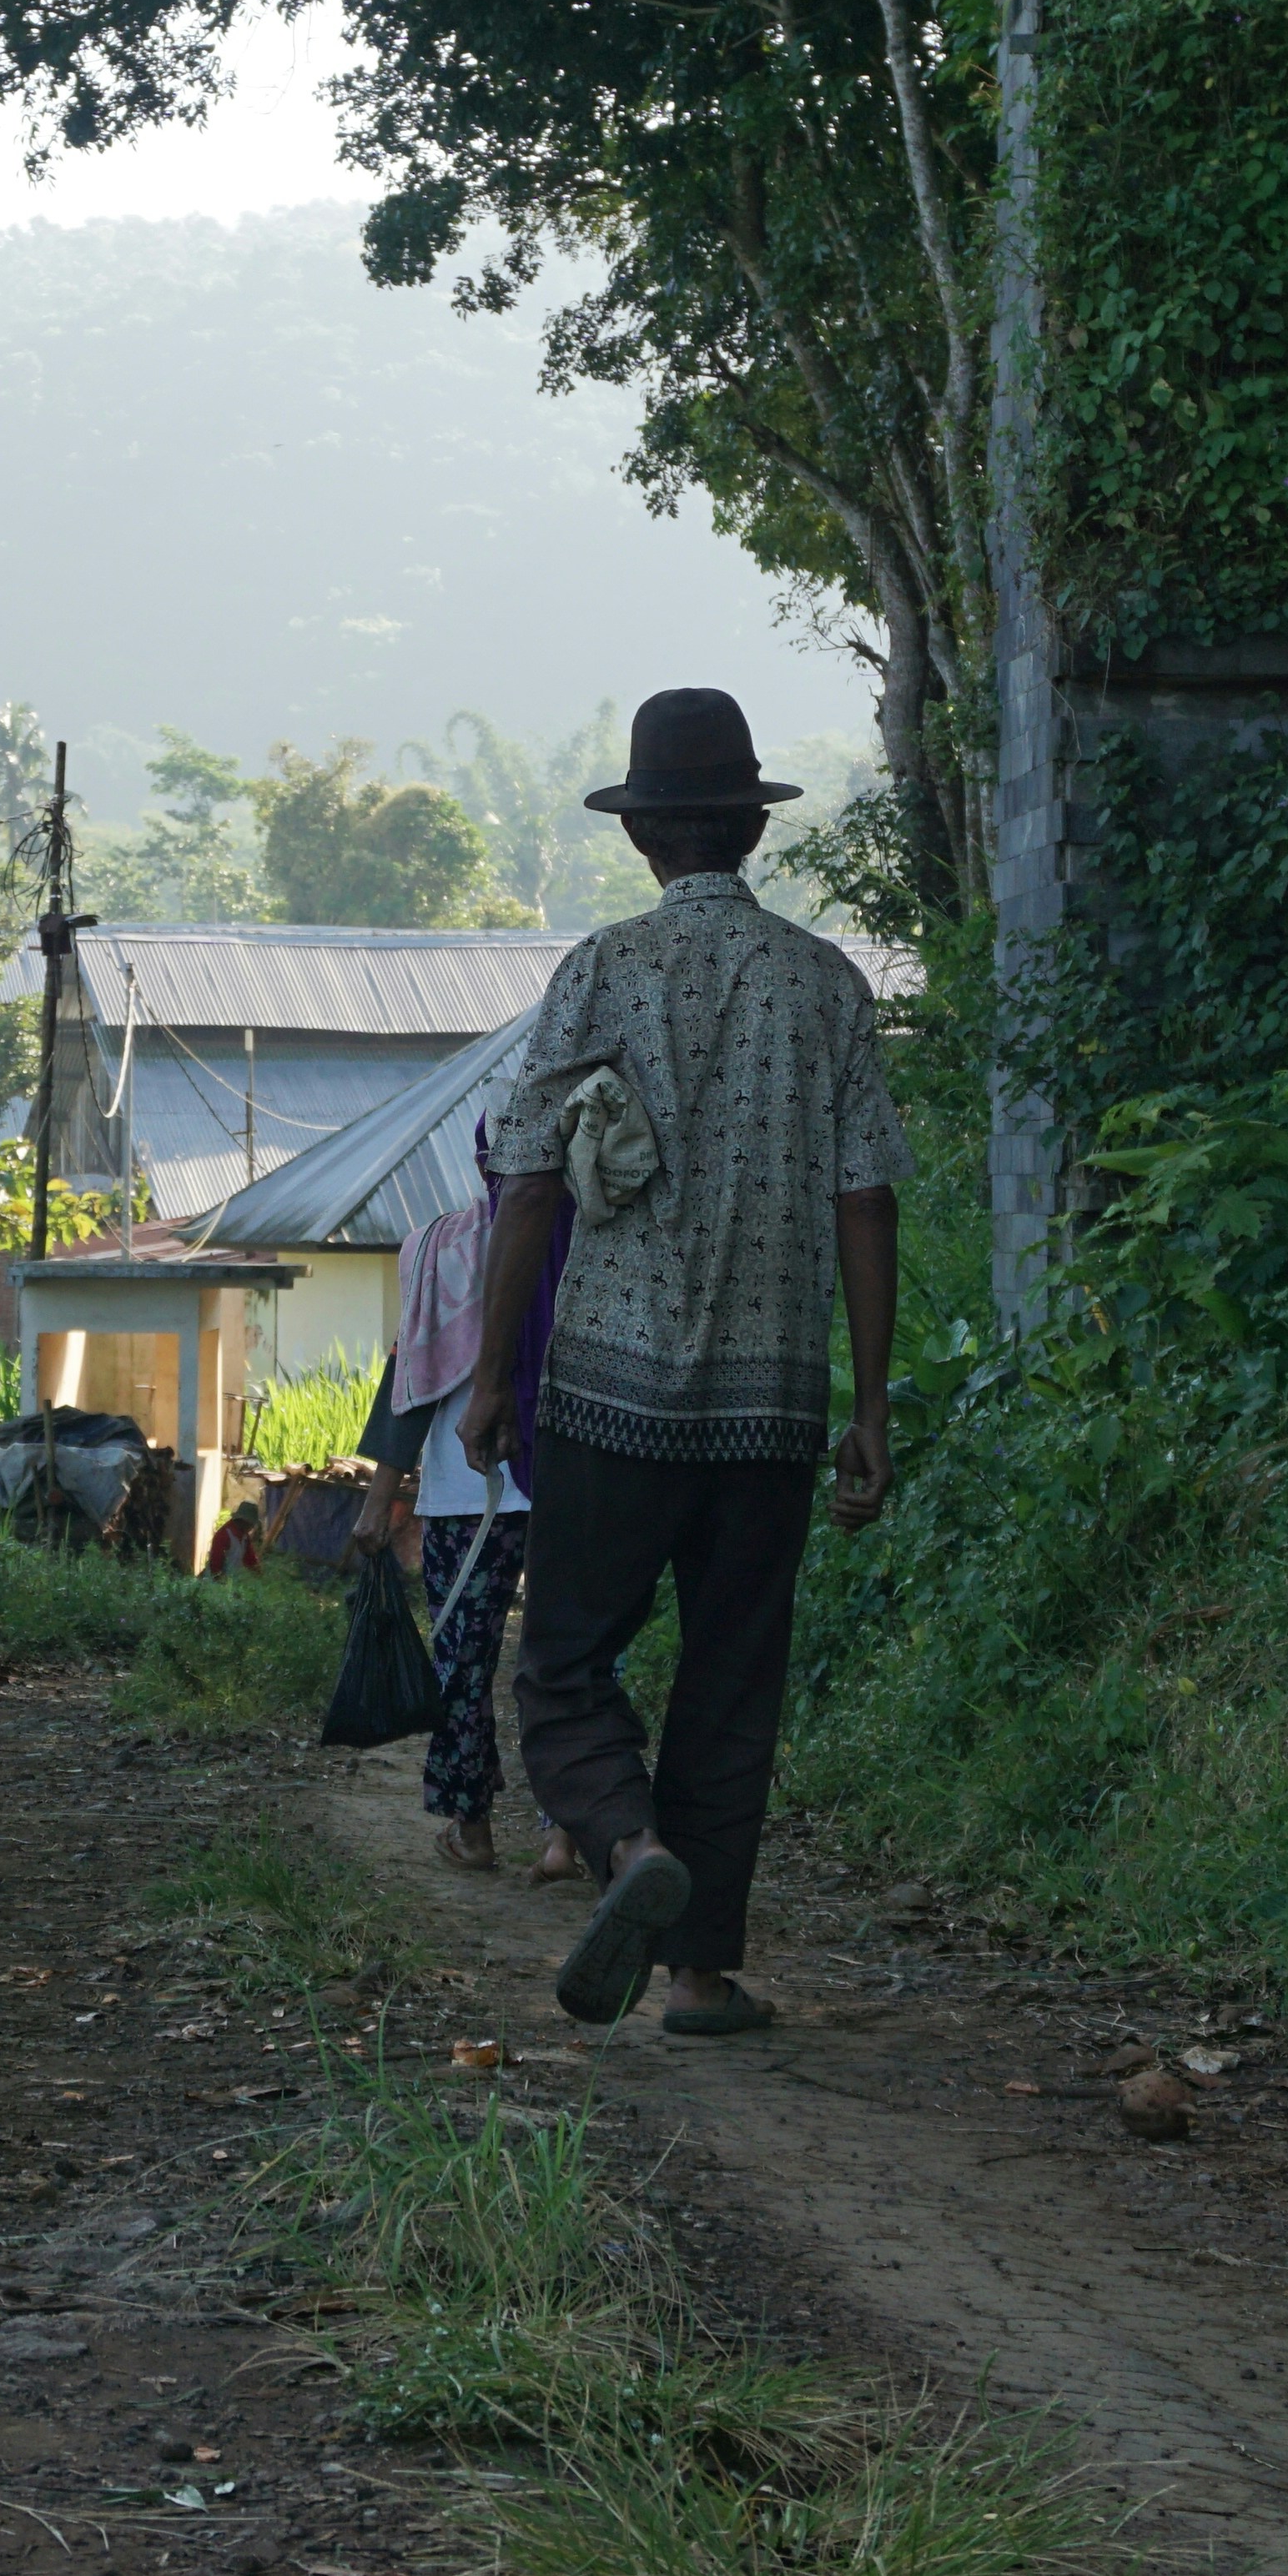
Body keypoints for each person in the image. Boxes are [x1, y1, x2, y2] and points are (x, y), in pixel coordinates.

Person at [455, 685, 905, 2038]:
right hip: (769, 1412)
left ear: (647, 835)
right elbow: (867, 1201)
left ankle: (630, 1847)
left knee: (564, 1665)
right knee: (733, 1674)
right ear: (748, 834)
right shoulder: (824, 984)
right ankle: (703, 1971)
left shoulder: (600, 971)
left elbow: (528, 1185)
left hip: (609, 1392)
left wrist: (489, 1377)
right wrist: (868, 1407)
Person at [348, 1126, 580, 1880]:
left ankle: (473, 1830)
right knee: (565, 1663)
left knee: (464, 1665)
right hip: (567, 1488)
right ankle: (564, 1836)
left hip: (462, 1496)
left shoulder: (440, 1248)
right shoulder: (585, 1239)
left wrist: (380, 1501)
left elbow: (407, 1384)